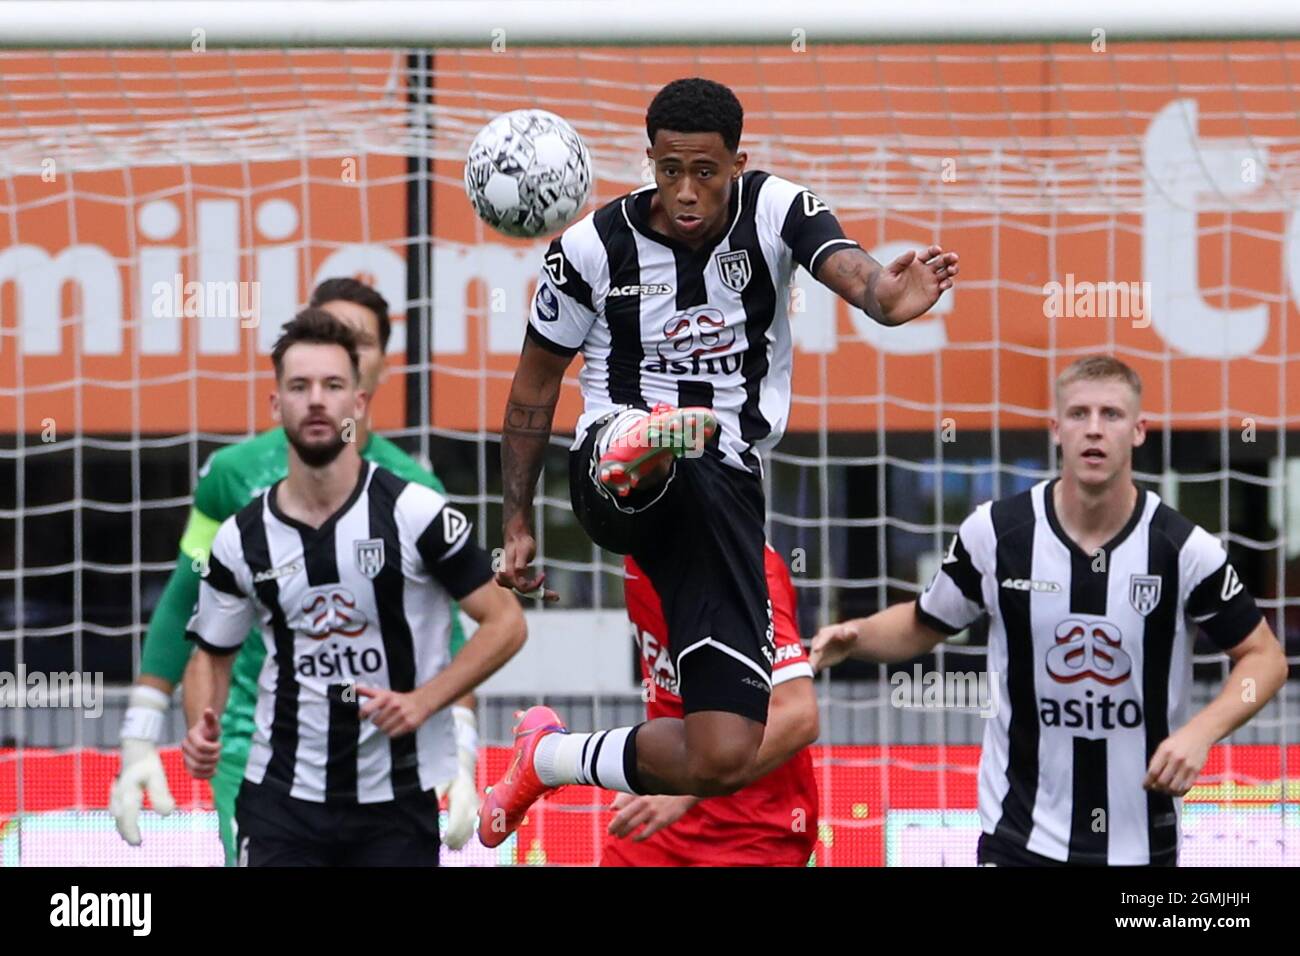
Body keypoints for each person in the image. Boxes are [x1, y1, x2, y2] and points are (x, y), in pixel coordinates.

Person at [481, 76, 957, 848]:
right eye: (669, 171)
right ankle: (647, 442)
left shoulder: (776, 209)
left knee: (722, 752)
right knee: (650, 449)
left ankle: (549, 756)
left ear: (740, 162)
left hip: (727, 490)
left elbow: (849, 266)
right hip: (614, 467)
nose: (686, 191)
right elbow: (535, 389)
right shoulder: (588, 250)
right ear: (650, 162)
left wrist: (884, 299)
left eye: (705, 171)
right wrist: (516, 521)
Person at [810, 355, 1289, 866]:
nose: (1095, 430)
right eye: (1079, 414)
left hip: (1141, 843)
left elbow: (1265, 659)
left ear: (1140, 431)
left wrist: (1200, 732)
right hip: (1018, 838)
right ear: (1057, 429)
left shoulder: (1184, 549)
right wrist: (857, 634)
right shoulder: (996, 534)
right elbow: (924, 624)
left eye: (1112, 415)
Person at [111, 279, 484, 862]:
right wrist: (141, 730)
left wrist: (462, 751)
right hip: (256, 741)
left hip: (384, 757)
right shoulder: (232, 474)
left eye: (355, 342)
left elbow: (443, 631)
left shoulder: (415, 491)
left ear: (375, 371)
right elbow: (188, 597)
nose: (335, 353)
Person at [181, 308, 524, 866]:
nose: (316, 400)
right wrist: (200, 728)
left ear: (358, 404)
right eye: (299, 386)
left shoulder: (416, 512)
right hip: (278, 800)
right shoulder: (239, 539)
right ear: (276, 406)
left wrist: (424, 703)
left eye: (333, 385)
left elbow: (506, 622)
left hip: (395, 801)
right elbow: (210, 656)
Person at [602, 545, 819, 866]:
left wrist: (687, 790)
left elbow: (798, 716)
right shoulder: (639, 551)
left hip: (754, 831)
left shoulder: (746, 567)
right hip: (660, 823)